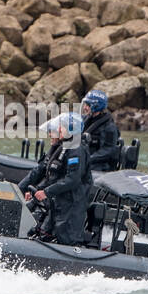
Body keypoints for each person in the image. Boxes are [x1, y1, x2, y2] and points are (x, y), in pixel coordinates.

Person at [19, 111, 92, 245]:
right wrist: (37, 190)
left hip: (72, 203)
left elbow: (73, 179)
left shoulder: (76, 150)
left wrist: (46, 192)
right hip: (60, 201)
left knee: (67, 238)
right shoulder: (63, 147)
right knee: (44, 232)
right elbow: (52, 175)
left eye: (62, 127)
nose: (58, 130)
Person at [80, 89, 122, 171]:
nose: (84, 107)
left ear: (96, 106)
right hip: (85, 160)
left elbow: (107, 151)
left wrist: (88, 159)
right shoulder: (85, 120)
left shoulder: (109, 127)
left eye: (87, 105)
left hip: (100, 166)